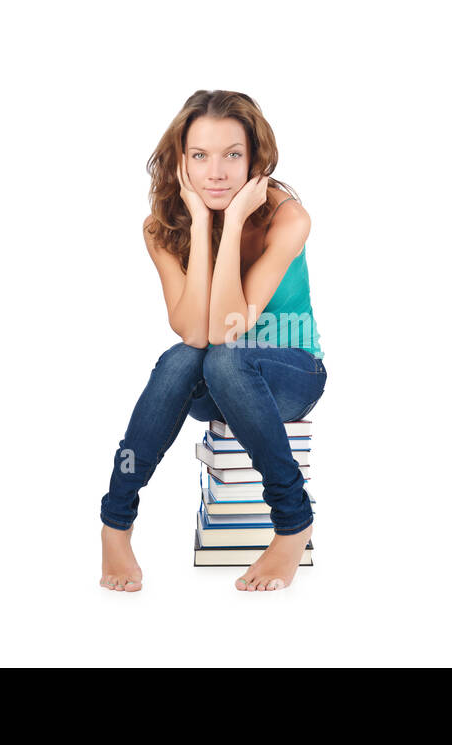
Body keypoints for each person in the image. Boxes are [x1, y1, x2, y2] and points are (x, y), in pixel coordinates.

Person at [99, 90, 326, 593]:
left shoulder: (289, 218)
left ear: (256, 160)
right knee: (186, 357)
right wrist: (202, 223)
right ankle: (116, 522)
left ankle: (293, 521)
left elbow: (226, 329)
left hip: (292, 372)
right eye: (200, 156)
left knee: (222, 358)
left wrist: (237, 219)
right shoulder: (161, 228)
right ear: (180, 162)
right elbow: (195, 331)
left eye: (233, 155)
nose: (217, 173)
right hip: (216, 375)